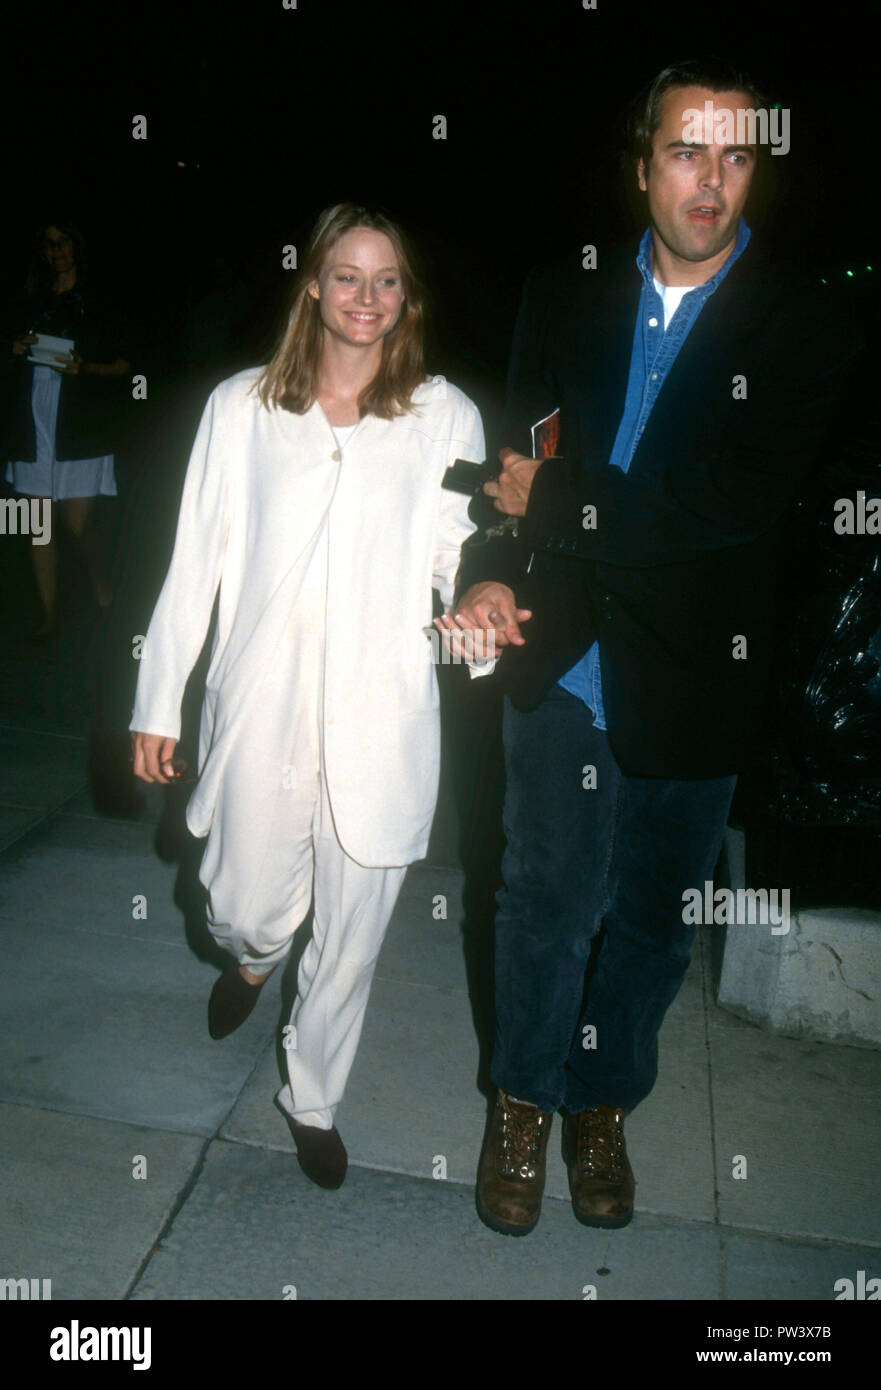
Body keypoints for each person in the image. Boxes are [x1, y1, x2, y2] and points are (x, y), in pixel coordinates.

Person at [452, 58, 862, 1236]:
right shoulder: (558, 294)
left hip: (695, 673)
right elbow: (511, 469)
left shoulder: (803, 329)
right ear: (641, 167)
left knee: (649, 916)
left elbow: (717, 504)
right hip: (563, 659)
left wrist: (557, 501)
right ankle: (522, 1100)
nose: (710, 179)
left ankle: (600, 1105)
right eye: (687, 150)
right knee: (542, 896)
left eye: (736, 154)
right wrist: (493, 560)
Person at [130, 203, 490, 1189]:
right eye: (346, 275)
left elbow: (463, 554)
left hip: (381, 713)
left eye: (386, 280)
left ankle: (313, 1097)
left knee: (354, 934)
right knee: (245, 903)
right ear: (311, 285)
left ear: (405, 297)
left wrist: (480, 622)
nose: (366, 298)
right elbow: (192, 559)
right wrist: (157, 699)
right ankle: (248, 957)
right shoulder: (241, 408)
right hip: (261, 704)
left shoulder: (442, 416)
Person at [5, 219, 131, 634]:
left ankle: (102, 587)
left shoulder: (99, 300)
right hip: (32, 418)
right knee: (35, 525)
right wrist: (14, 347)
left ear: (77, 246)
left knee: (77, 526)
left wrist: (86, 368)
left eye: (63, 243)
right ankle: (48, 616)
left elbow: (126, 366)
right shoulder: (29, 297)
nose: (56, 251)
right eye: (48, 244)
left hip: (79, 421)